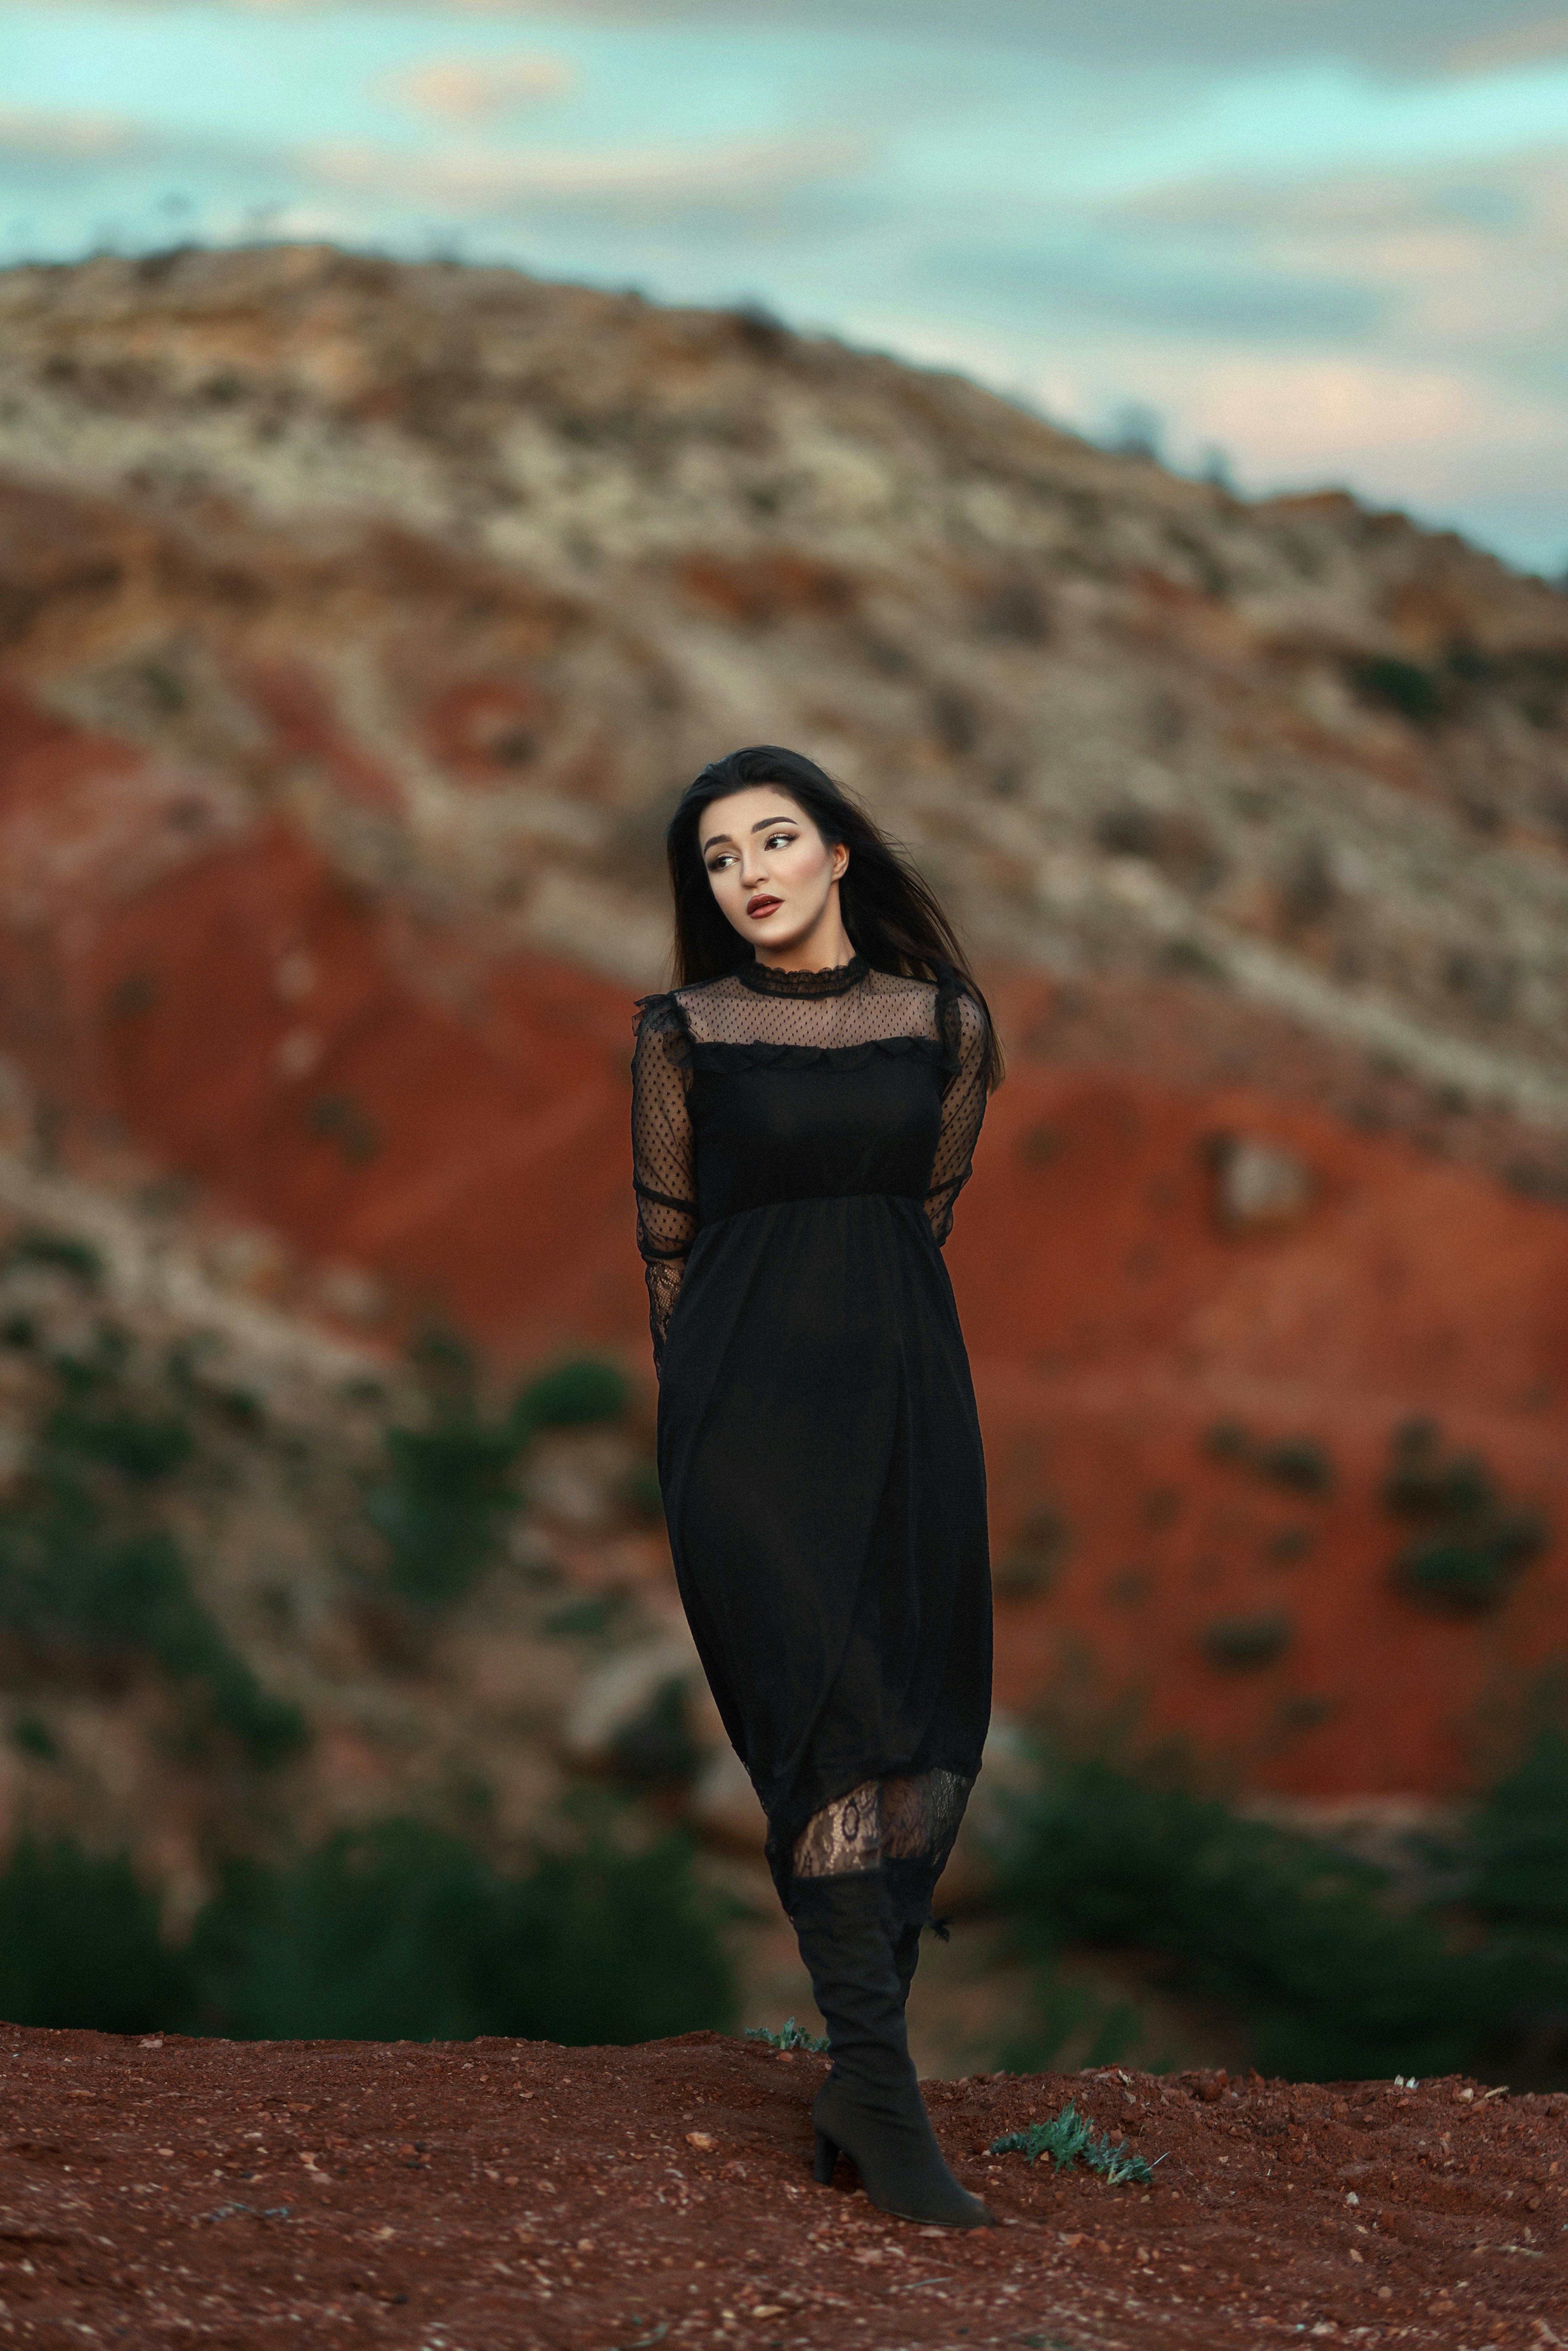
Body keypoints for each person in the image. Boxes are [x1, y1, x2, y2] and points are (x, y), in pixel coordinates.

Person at [631, 745, 1001, 2229]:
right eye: (721, 859)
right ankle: (884, 2084)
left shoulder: (946, 1025)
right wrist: (716, 1423)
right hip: (741, 1424)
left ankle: (856, 2081)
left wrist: (867, 1358)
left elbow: (923, 1217)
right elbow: (671, 1252)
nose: (750, 874)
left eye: (774, 839)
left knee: (918, 1730)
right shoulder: (684, 1034)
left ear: (840, 849)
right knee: (830, 1723)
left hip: (906, 1406)